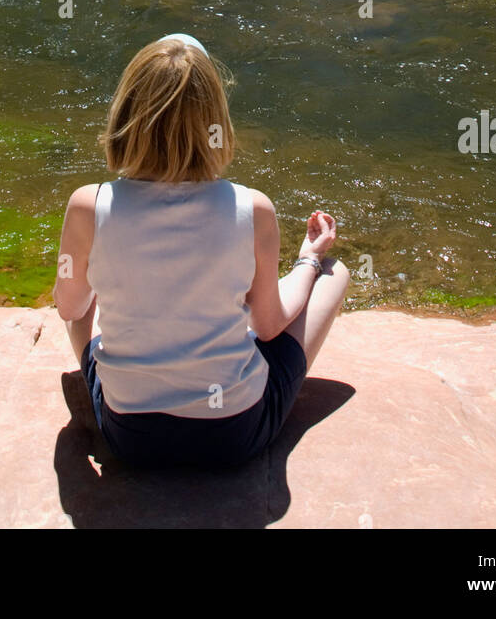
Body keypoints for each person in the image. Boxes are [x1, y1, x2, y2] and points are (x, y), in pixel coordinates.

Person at [53, 33, 350, 469]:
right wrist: (307, 260)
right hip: (233, 436)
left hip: (131, 439)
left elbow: (69, 307)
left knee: (82, 296)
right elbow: (268, 326)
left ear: (128, 114)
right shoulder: (252, 208)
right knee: (334, 272)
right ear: (215, 122)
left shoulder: (88, 205)